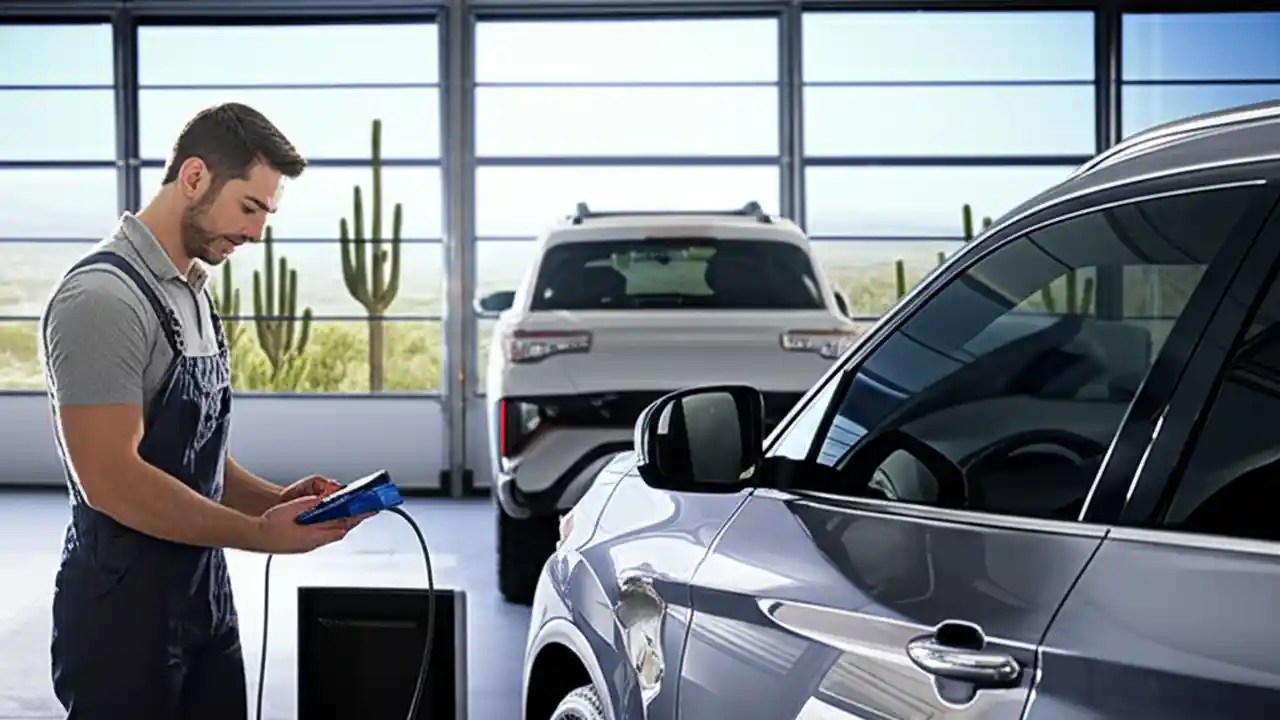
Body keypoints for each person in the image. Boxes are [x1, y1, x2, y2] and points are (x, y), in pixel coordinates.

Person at [38, 102, 367, 719]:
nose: (255, 234)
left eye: (267, 215)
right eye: (249, 208)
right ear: (194, 178)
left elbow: (191, 455)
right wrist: (255, 535)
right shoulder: (102, 299)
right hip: (121, 621)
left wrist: (272, 501)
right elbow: (112, 479)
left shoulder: (191, 290)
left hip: (203, 600)